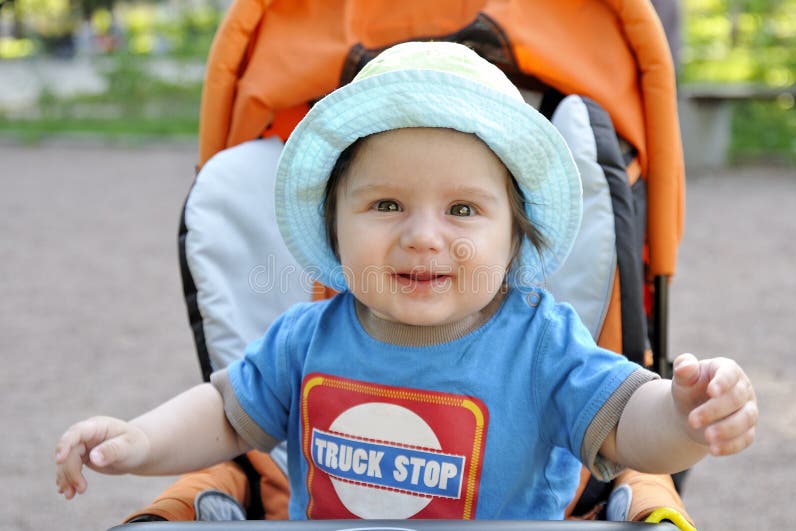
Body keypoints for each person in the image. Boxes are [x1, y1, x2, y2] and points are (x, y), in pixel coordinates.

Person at [55, 41, 757, 520]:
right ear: (335, 227)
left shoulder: (540, 342)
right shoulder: (307, 337)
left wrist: (685, 417)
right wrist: (140, 440)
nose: (423, 235)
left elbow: (631, 429)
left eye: (462, 209)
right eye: (386, 204)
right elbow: (222, 413)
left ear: (514, 235)